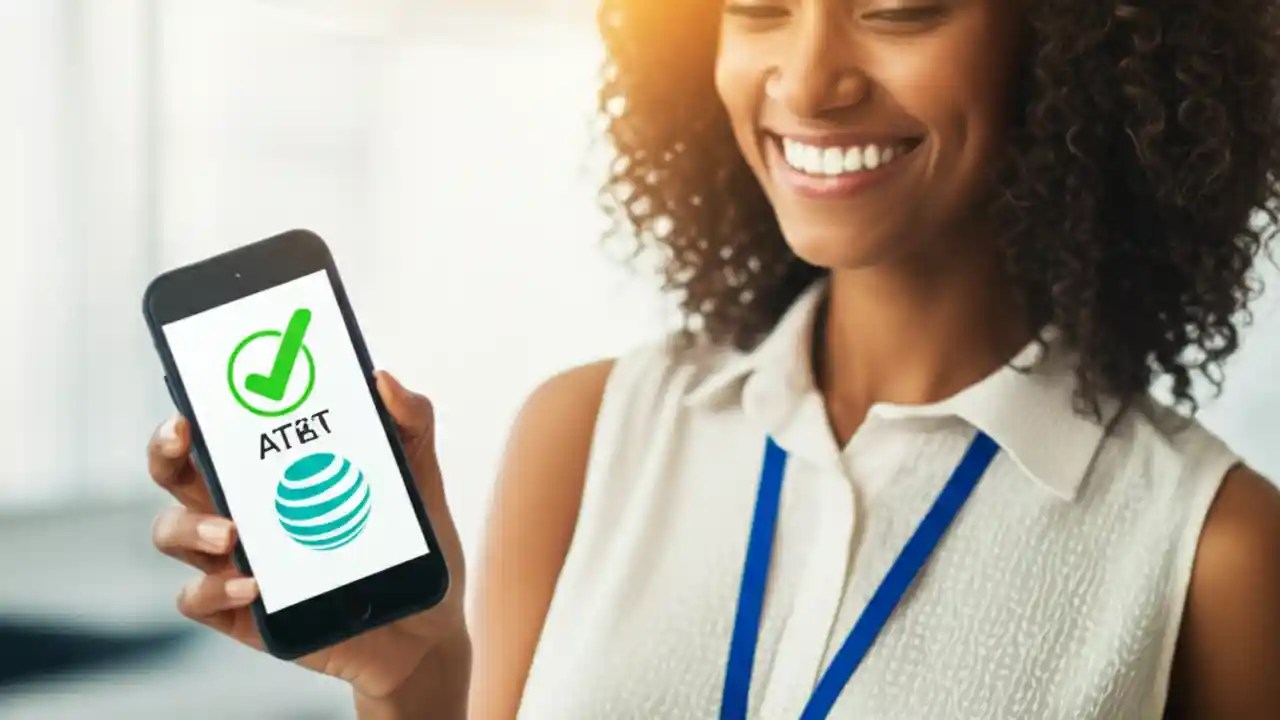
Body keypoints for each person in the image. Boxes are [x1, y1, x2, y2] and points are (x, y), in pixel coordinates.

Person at [146, 0, 1280, 717]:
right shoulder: (585, 437)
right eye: (758, 7)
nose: (809, 80)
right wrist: (413, 677)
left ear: (1067, 38)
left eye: (895, 9)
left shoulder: (1213, 553)